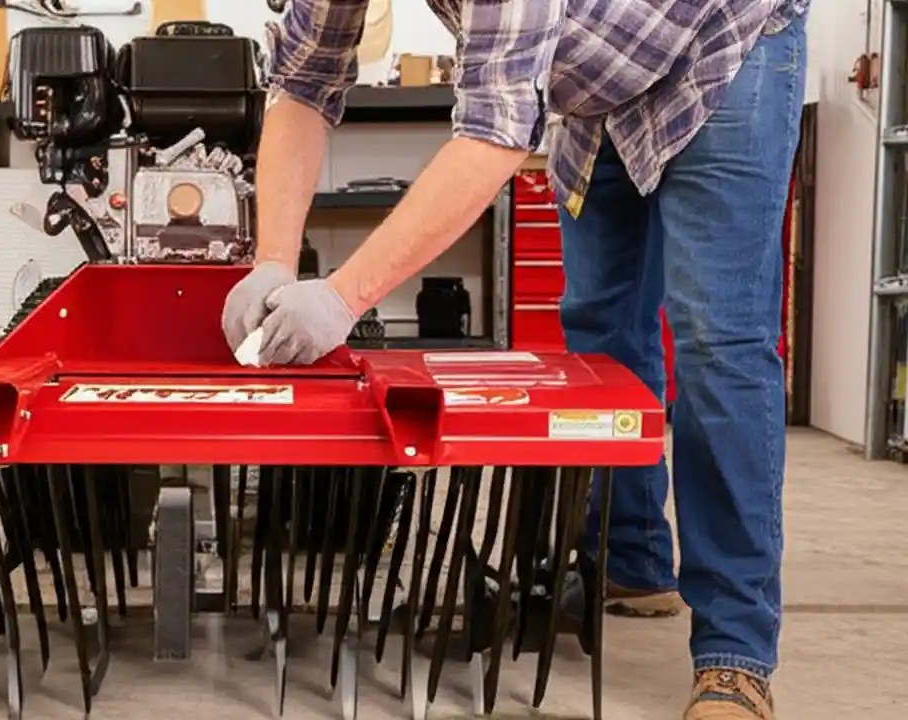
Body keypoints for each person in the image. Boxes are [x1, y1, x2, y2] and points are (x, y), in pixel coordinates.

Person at [221, 1, 809, 718]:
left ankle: (734, 652)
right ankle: (629, 560)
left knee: (717, 340)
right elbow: (304, 84)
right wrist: (273, 261)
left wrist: (343, 298)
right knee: (600, 329)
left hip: (723, 43)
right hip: (603, 79)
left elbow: (492, 133)